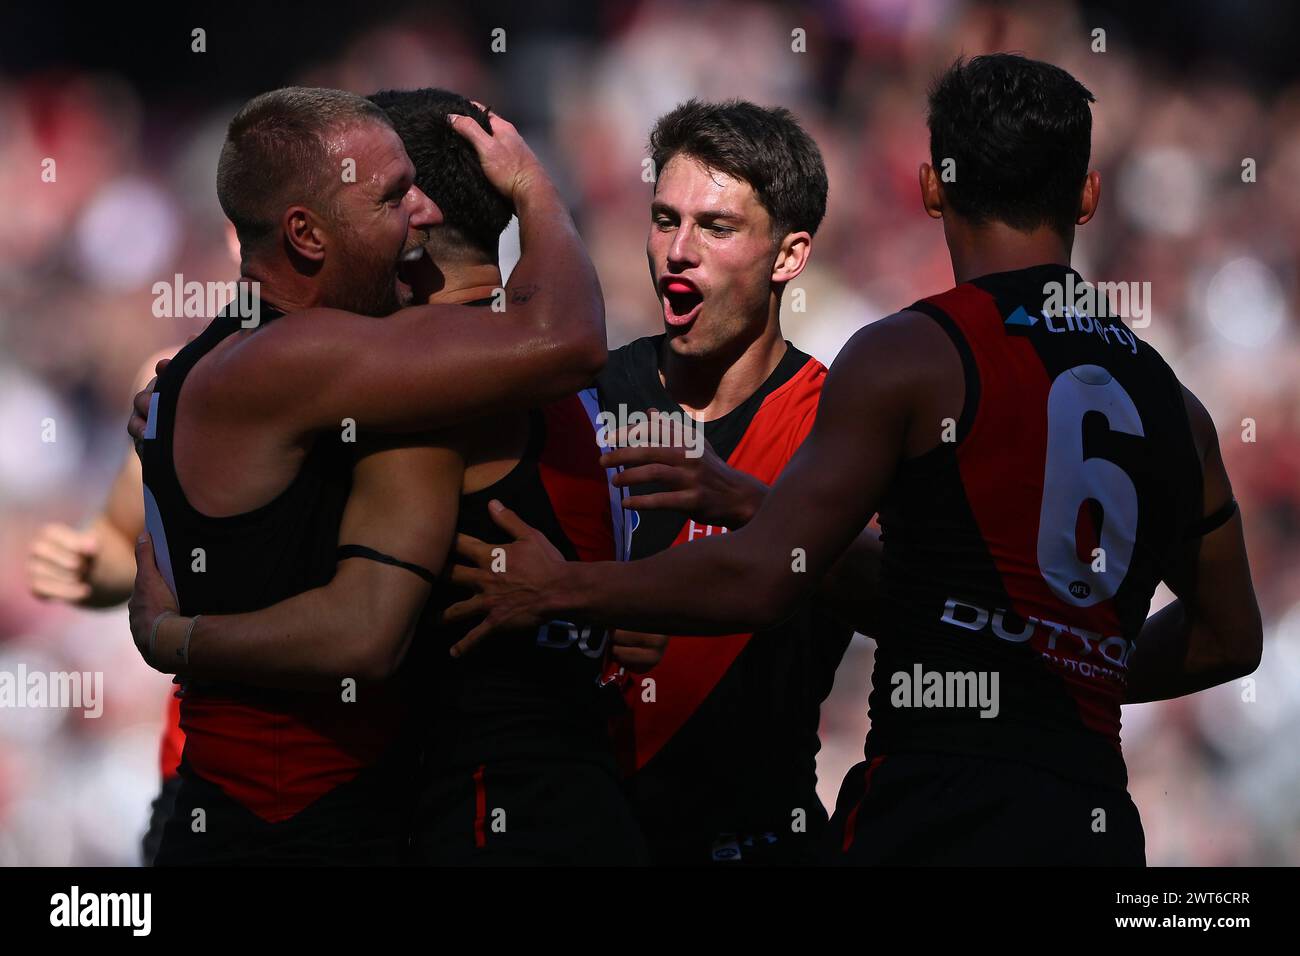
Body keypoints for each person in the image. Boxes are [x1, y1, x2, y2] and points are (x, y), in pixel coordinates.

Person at [443, 54, 1263, 865]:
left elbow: (767, 578)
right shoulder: (1177, 409)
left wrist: (562, 589)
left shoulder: (913, 355)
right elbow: (1231, 640)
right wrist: (1061, 680)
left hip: (932, 810)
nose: (679, 248)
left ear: (931, 186)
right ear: (1087, 197)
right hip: (1089, 821)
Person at [129, 89, 647, 864]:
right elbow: (569, 339)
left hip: (296, 816)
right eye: (392, 196)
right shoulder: (301, 359)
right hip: (292, 829)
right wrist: (535, 188)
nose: (421, 212)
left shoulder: (224, 367)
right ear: (306, 233)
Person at [590, 99, 867, 864]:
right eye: (663, 218)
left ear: (788, 256)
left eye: (716, 227)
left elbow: (912, 596)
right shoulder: (584, 399)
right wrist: (586, 629)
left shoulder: (841, 424)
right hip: (591, 835)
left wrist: (747, 503)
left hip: (762, 842)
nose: (678, 251)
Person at [27, 348, 182, 864]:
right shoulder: (174, 374)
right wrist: (90, 568)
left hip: (355, 753)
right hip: (199, 759)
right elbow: (121, 538)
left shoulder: (390, 362)